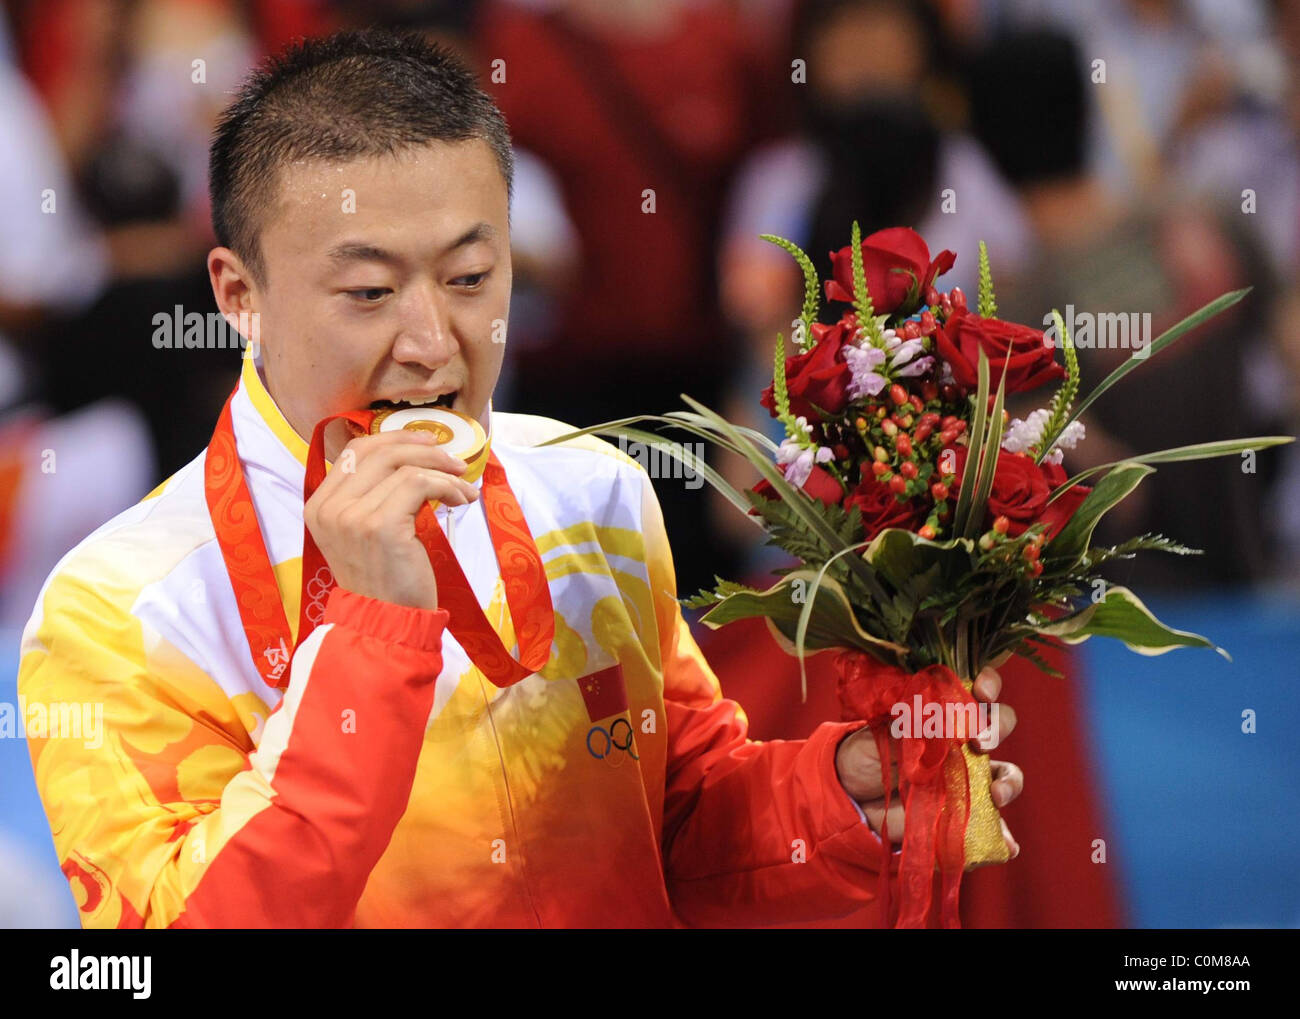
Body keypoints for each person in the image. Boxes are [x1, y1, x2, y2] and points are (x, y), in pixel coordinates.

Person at [17, 29, 1021, 929]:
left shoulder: (590, 489)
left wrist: (837, 795)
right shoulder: (118, 608)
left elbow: (678, 815)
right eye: (368, 291)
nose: (430, 343)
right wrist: (369, 634)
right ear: (240, 294)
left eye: (468, 278)